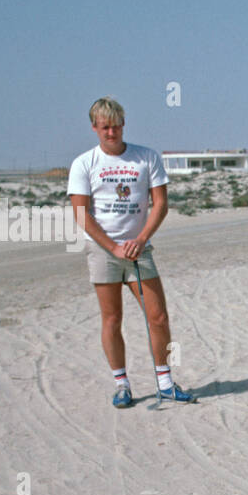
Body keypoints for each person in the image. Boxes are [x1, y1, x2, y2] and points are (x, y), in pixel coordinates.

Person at [68, 96, 193, 408]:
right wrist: (112, 247)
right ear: (95, 128)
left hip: (140, 249)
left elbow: (160, 204)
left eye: (117, 126)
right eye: (105, 127)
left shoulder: (145, 158)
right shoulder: (84, 163)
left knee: (158, 317)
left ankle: (165, 382)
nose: (112, 133)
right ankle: (121, 384)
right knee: (112, 319)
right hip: (103, 251)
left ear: (124, 125)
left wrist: (141, 239)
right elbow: (81, 214)